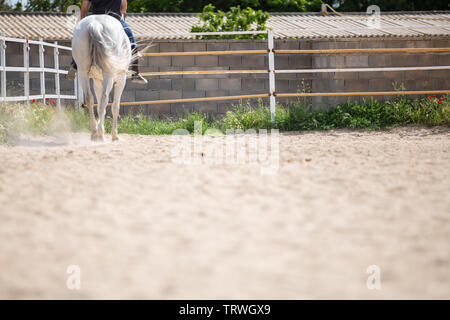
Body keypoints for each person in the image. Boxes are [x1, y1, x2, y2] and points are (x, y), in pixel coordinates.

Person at [67, 0, 147, 84]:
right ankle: (135, 73)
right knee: (132, 40)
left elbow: (83, 10)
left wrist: (81, 25)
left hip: (94, 19)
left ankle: (74, 64)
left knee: (78, 36)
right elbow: (123, 9)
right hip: (114, 18)